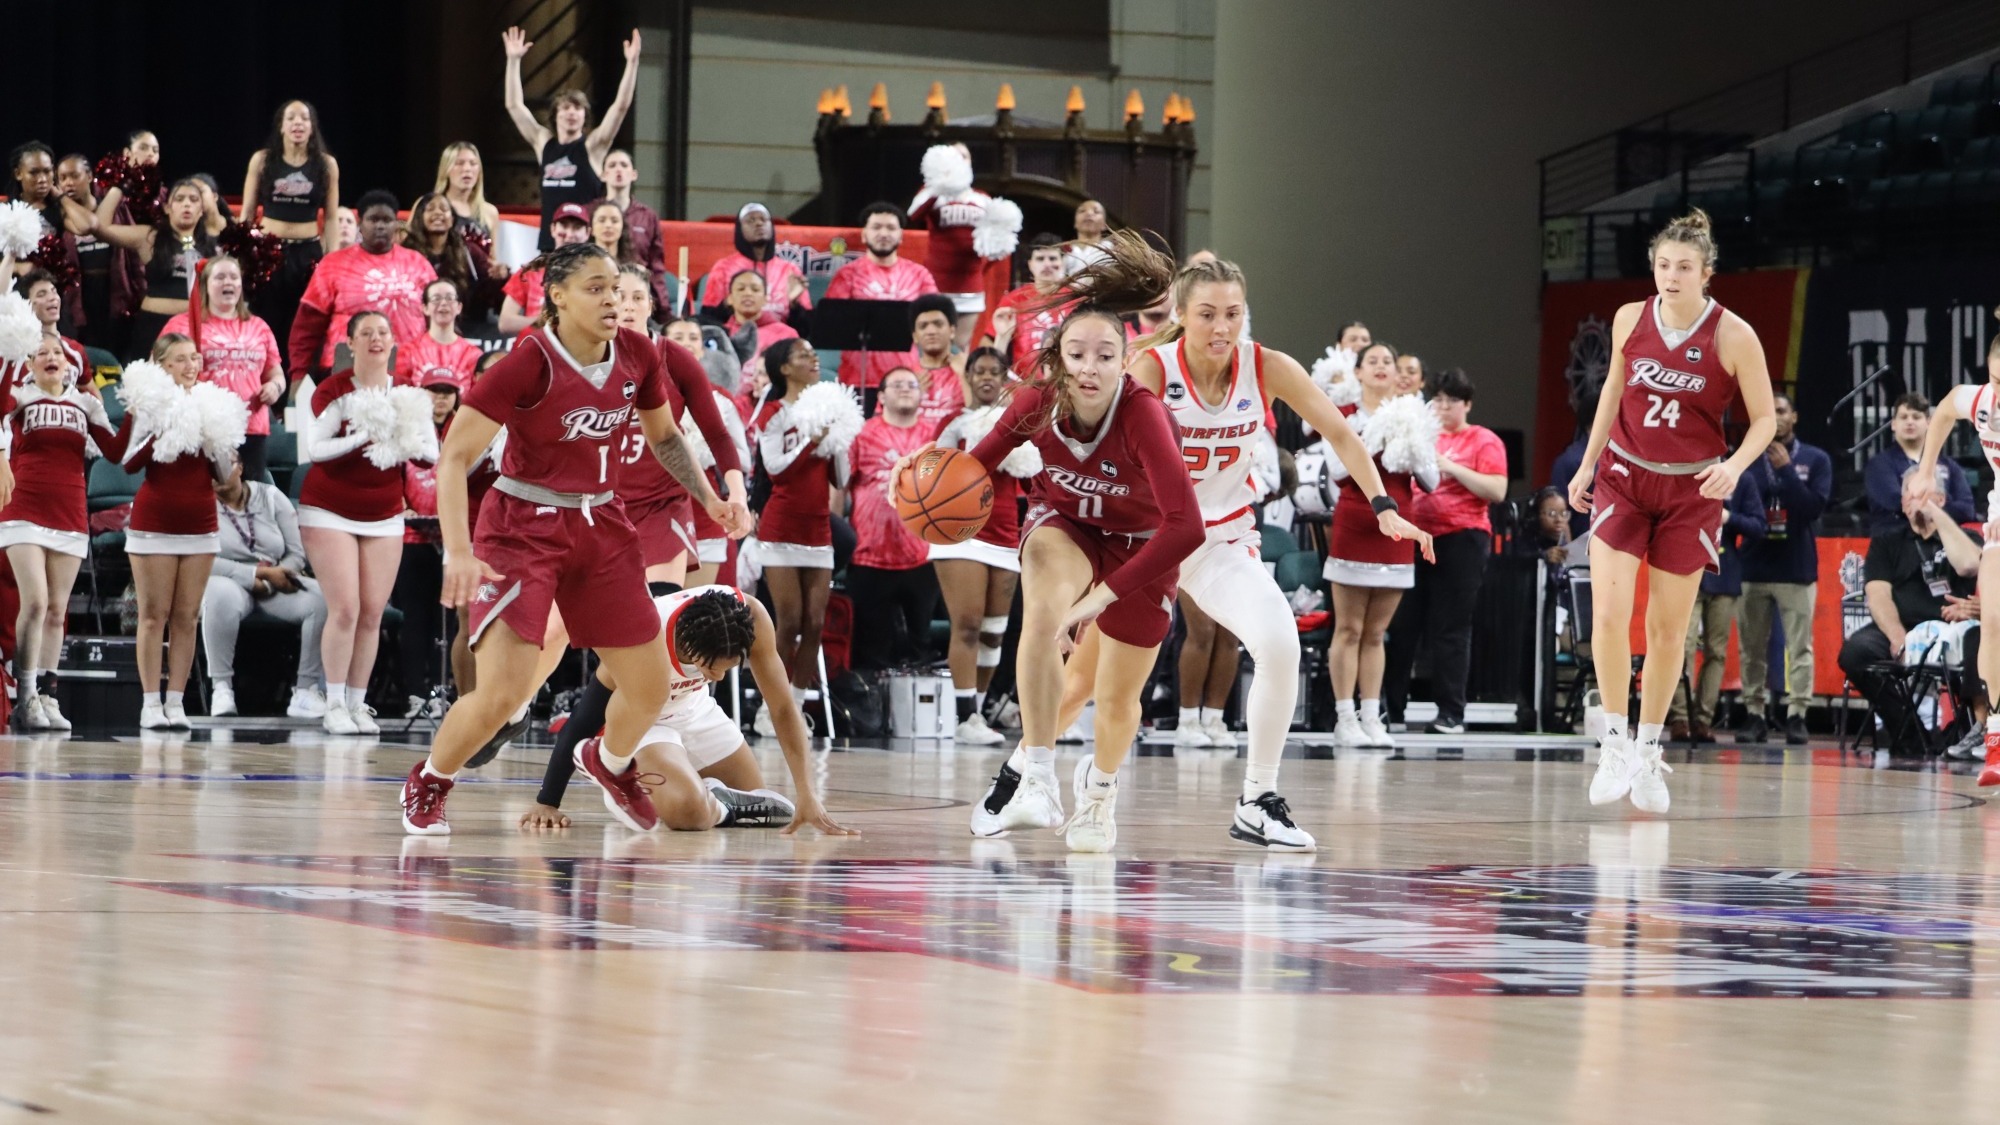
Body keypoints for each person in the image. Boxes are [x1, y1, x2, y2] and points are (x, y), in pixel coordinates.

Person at [1072, 255, 1428, 846]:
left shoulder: (1266, 367)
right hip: (1146, 540)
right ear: (1181, 315)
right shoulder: (1151, 369)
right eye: (1207, 314)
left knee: (1280, 643)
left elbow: (1341, 433)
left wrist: (1384, 506)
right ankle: (1030, 775)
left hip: (1220, 540)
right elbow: (1099, 453)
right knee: (1087, 687)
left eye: (1232, 314)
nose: (1221, 326)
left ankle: (1257, 799)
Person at [401, 241, 739, 836]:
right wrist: (458, 549)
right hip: (523, 527)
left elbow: (664, 439)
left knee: (650, 683)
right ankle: (431, 778)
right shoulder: (530, 359)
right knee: (503, 693)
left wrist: (710, 495)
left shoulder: (639, 353)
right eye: (595, 288)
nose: (612, 299)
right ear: (556, 297)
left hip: (602, 523)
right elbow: (454, 456)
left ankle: (606, 763)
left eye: (616, 288)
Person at [913, 232, 1202, 853]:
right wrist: (920, 483)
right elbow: (973, 470)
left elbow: (1188, 527)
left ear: (1125, 361)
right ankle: (1037, 777)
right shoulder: (1035, 401)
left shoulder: (1144, 414)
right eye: (1078, 354)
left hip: (1142, 543)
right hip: (1065, 526)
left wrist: (1101, 599)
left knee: (1115, 700)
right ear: (1057, 358)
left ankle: (1097, 796)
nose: (1091, 367)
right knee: (1042, 617)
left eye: (1105, 355)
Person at [1568, 208, 1777, 814]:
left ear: (1707, 273)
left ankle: (1649, 750)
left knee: (1667, 632)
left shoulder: (1733, 335)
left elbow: (1764, 418)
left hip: (1691, 493)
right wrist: (1587, 463)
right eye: (1663, 265)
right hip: (1625, 478)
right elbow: (1612, 388)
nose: (1671, 276)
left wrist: (1735, 466)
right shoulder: (1630, 317)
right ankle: (1612, 740)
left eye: (1684, 267)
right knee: (1608, 613)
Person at [521, 587, 854, 834]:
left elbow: (782, 707)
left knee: (760, 801)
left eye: (729, 668)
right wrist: (547, 800)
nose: (720, 677)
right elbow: (586, 714)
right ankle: (651, 783)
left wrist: (807, 792)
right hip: (642, 724)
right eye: (713, 668)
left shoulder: (749, 616)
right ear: (690, 646)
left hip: (695, 710)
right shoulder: (644, 634)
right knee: (690, 815)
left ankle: (713, 798)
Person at [298, 311, 439, 735]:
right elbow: (316, 449)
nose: (375, 339)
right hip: (328, 509)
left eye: (383, 333)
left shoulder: (408, 396)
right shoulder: (334, 391)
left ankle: (359, 705)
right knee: (345, 608)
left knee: (373, 612)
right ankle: (334, 702)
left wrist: (403, 439)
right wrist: (365, 435)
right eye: (366, 333)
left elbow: (430, 454)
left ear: (394, 342)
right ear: (350, 343)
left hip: (383, 513)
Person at [117, 335, 247, 730]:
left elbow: (224, 478)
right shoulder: (148, 407)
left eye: (194, 358)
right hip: (154, 524)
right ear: (161, 365)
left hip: (200, 525)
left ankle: (176, 701)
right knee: (153, 617)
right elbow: (125, 462)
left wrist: (219, 443)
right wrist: (164, 429)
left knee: (187, 617)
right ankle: (150, 703)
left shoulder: (212, 405)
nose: (191, 365)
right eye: (180, 360)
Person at [1319, 343, 1440, 748]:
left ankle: (1372, 717)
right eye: (1372, 362)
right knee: (1349, 629)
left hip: (1397, 531)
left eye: (1388, 361)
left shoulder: (1412, 415)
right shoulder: (1345, 417)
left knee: (1376, 633)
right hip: (1355, 526)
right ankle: (1343, 718)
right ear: (1358, 373)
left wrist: (1409, 437)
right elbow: (1336, 469)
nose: (1383, 368)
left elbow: (1432, 480)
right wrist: (1374, 436)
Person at [0, 335, 118, 730]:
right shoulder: (18, 398)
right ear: (29, 364)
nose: (52, 357)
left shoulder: (85, 404)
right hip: (23, 506)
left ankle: (49, 695)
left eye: (59, 353)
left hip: (69, 511)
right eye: (41, 354)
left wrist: (139, 409)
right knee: (34, 602)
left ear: (71, 366)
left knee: (56, 610)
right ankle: (25, 694)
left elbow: (117, 452)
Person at [1383, 367, 1507, 735]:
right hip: (1414, 536)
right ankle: (1392, 709)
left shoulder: (1483, 440)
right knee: (1402, 626)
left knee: (1450, 629)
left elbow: (1497, 490)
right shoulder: (1422, 436)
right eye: (1437, 399)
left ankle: (1450, 712)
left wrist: (1451, 467)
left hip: (1462, 538)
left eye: (1451, 400)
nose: (1442, 406)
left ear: (1466, 404)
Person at [1838, 468, 1983, 754]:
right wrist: (1896, 637)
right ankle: (1909, 731)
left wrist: (1936, 515)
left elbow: (1969, 565)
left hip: (1953, 627)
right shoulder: (1886, 541)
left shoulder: (1964, 537)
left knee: (1977, 644)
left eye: (1921, 493)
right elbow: (1877, 594)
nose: (1912, 500)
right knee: (1855, 652)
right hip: (1903, 625)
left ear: (1941, 499)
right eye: (1908, 494)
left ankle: (1970, 731)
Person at [749, 338, 848, 735]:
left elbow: (840, 478)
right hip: (781, 526)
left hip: (818, 527)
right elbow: (775, 469)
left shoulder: (828, 409)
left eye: (814, 353)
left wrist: (838, 440)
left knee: (815, 621)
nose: (814, 359)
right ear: (784, 369)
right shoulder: (773, 413)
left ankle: (795, 705)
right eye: (803, 356)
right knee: (787, 621)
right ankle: (768, 709)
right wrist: (813, 439)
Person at [932, 347, 1028, 744]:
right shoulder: (953, 423)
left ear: (1004, 378)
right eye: (980, 371)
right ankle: (963, 716)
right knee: (968, 625)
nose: (987, 377)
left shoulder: (1020, 425)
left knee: (994, 632)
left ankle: (980, 714)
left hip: (1006, 533)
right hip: (961, 533)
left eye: (995, 371)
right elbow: (933, 473)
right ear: (968, 377)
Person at [1914, 335, 2000, 779]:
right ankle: (1996, 735)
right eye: (1994, 378)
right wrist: (1927, 469)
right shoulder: (1983, 400)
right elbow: (1947, 406)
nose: (1999, 391)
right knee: (1992, 623)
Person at [1735, 391, 1831, 745]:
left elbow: (1810, 510)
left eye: (1781, 411)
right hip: (1754, 564)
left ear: (1794, 417)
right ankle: (1754, 713)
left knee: (1799, 646)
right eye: (1769, 411)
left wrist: (1786, 471)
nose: (1775, 417)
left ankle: (1797, 714)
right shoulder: (1746, 459)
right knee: (1751, 648)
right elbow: (1739, 508)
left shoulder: (1816, 460)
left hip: (1797, 567)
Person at [501, 24, 642, 250]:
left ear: (584, 117)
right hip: (551, 244)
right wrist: (513, 60)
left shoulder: (593, 147)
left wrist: (632, 64)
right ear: (555, 115)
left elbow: (621, 107)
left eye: (578, 109)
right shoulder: (543, 142)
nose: (571, 113)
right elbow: (514, 105)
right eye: (566, 108)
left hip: (585, 245)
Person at [205, 461, 327, 720]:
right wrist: (253, 576)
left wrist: (273, 580)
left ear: (238, 466)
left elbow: (296, 553)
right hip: (229, 580)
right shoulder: (200, 503)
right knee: (219, 593)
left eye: (220, 466)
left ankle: (305, 691)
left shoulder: (271, 497)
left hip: (276, 581)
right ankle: (222, 688)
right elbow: (203, 560)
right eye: (208, 470)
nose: (214, 475)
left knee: (322, 598)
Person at [846, 368, 940, 671]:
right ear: (881, 395)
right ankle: (869, 712)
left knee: (921, 647)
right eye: (896, 384)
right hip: (869, 556)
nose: (905, 389)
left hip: (923, 557)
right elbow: (841, 488)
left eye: (912, 384)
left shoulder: (936, 436)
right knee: (869, 649)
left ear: (921, 395)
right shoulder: (862, 434)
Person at [289, 192, 437, 381]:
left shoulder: (418, 263)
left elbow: (437, 318)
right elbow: (306, 327)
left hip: (409, 370)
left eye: (387, 220)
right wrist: (299, 375)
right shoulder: (333, 264)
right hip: (346, 370)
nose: (380, 226)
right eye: (373, 219)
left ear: (396, 224)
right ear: (360, 222)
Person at [162, 257, 284, 482]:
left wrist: (274, 387)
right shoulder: (183, 325)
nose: (228, 282)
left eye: (234, 277)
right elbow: (157, 370)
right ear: (206, 285)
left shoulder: (259, 327)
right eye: (220, 277)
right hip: (206, 428)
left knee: (248, 500)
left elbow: (276, 373)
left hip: (252, 428)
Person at [1666, 471, 1764, 743]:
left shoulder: (1740, 477)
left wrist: (1729, 517)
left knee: (1716, 652)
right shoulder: (1686, 471)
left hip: (1724, 573)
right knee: (1682, 647)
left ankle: (1702, 719)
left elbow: (1758, 525)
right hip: (1687, 568)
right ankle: (1679, 717)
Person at [239, 99, 340, 356]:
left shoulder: (326, 165)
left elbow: (330, 218)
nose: (298, 123)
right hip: (268, 253)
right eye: (291, 118)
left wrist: (333, 262)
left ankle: (298, 388)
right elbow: (248, 212)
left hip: (308, 254)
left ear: (312, 127)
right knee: (267, 321)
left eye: (304, 118)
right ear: (281, 127)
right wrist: (241, 255)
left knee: (304, 325)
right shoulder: (262, 160)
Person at [393, 375, 460, 717]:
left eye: (447, 392)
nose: (440, 398)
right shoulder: (407, 432)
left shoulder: (463, 430)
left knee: (447, 621)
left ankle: (441, 692)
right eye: (434, 391)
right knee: (415, 620)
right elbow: (392, 476)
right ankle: (416, 695)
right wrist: (400, 504)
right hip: (412, 540)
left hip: (452, 543)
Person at [823, 203, 939, 396]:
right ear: (863, 234)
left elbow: (936, 323)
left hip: (906, 382)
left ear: (901, 235)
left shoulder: (920, 275)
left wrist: (929, 365)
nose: (884, 233)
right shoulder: (847, 275)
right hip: (856, 382)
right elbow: (831, 324)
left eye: (891, 228)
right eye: (876, 227)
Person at [93, 177, 215, 360]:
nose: (187, 204)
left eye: (193, 199)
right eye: (179, 199)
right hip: (153, 326)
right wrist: (118, 186)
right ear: (167, 208)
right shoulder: (149, 237)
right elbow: (98, 227)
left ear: (201, 209)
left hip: (196, 327)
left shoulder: (214, 244)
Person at [907, 143, 1012, 343]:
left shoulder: (982, 198)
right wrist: (940, 185)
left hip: (969, 285)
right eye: (953, 156)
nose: (959, 161)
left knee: (960, 348)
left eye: (963, 156)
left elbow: (996, 244)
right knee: (931, 346)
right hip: (936, 284)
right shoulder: (932, 192)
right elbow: (913, 213)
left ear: (970, 163)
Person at [1864, 392, 1974, 534]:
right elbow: (1894, 502)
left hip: (1941, 540)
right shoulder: (1879, 465)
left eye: (1916, 417)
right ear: (1893, 424)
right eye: (1903, 417)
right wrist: (1938, 506)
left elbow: (1966, 509)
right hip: (1895, 540)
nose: (1910, 422)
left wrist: (1924, 508)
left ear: (1929, 423)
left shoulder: (1949, 465)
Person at [699, 203, 812, 333]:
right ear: (740, 229)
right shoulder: (723, 268)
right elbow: (708, 320)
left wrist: (794, 305)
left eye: (763, 219)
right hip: (735, 341)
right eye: (751, 220)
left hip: (780, 341)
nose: (758, 224)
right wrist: (732, 301)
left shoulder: (790, 271)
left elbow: (806, 330)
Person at [976, 233, 1073, 372]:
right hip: (1022, 384)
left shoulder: (1076, 298)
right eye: (1040, 259)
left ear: (1062, 263)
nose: (1047, 264)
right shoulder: (1013, 300)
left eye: (1052, 258)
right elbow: (988, 341)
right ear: (1030, 264)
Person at [403, 192, 496, 332]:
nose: (438, 213)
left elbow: (487, 289)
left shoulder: (468, 251)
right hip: (415, 327)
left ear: (452, 219)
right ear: (419, 218)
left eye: (444, 209)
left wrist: (500, 277)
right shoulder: (406, 252)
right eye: (430, 209)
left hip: (465, 329)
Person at [499, 203, 592, 336]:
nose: (570, 234)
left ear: (588, 233)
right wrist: (544, 322)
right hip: (536, 349)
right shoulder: (531, 271)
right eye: (564, 225)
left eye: (577, 227)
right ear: (553, 229)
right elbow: (505, 322)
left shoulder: (595, 275)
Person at [884, 294, 964, 436]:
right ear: (915, 336)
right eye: (923, 326)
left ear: (952, 331)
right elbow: (883, 424)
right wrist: (909, 396)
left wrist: (965, 376)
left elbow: (980, 417)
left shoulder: (968, 369)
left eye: (938, 324)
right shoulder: (903, 375)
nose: (931, 331)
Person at [599, 150, 669, 310]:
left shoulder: (648, 216)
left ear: (634, 174)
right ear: (603, 175)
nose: (618, 169)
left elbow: (657, 267)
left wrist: (664, 309)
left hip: (637, 293)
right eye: (612, 165)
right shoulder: (592, 212)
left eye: (624, 165)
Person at [0, 270, 89, 392]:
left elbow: (92, 395)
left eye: (54, 292)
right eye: (42, 294)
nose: (52, 298)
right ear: (25, 304)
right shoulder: (10, 353)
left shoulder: (75, 350)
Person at [394, 279, 483, 391]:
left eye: (450, 298)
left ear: (459, 307)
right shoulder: (407, 352)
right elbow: (399, 395)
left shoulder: (474, 355)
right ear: (424, 308)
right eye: (436, 299)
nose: (443, 303)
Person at [719, 269, 799, 364]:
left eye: (755, 289)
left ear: (765, 299)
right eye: (741, 289)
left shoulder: (786, 334)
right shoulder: (721, 335)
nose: (748, 293)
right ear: (730, 299)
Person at [433, 142, 503, 243]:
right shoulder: (428, 207)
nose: (467, 169)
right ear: (446, 169)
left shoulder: (489, 212)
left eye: (473, 163)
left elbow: (492, 257)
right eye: (459, 163)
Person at [1510, 486, 1572, 566]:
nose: (1559, 520)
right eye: (1552, 514)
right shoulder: (1523, 545)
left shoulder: (1564, 538)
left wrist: (1569, 544)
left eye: (1564, 514)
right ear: (1536, 516)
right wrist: (1543, 557)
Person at [1063, 198, 1111, 274]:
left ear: (1104, 225)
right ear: (1075, 223)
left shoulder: (1112, 250)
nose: (1089, 213)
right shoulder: (1063, 250)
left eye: (1096, 211)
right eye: (1082, 211)